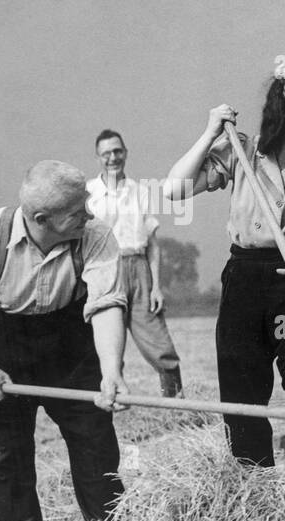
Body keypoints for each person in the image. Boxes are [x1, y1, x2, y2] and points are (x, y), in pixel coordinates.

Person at [0, 161, 129, 521]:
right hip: (3, 347)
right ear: (42, 218)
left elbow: (107, 305)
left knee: (95, 443)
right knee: (5, 453)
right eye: (77, 211)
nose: (89, 214)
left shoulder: (95, 236)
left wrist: (111, 373)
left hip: (70, 347)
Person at [164, 58, 285, 468]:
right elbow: (173, 190)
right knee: (242, 390)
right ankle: (252, 487)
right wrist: (210, 132)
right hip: (244, 279)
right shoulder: (241, 151)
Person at [88, 129, 185, 397]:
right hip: (105, 270)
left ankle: (174, 403)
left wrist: (156, 286)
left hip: (139, 268)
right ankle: (108, 402)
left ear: (126, 153)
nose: (113, 158)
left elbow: (153, 243)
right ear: (98, 158)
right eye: (106, 153)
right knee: (108, 342)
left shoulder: (140, 192)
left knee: (158, 341)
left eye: (117, 151)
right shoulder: (88, 193)